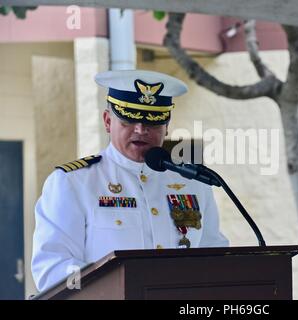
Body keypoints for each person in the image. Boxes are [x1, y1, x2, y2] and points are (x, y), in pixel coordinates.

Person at [31, 70, 229, 292]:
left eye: (153, 122)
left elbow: (214, 253)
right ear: (108, 121)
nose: (141, 130)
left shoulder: (193, 182)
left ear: (166, 126)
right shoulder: (74, 183)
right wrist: (114, 290)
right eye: (128, 119)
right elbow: (51, 269)